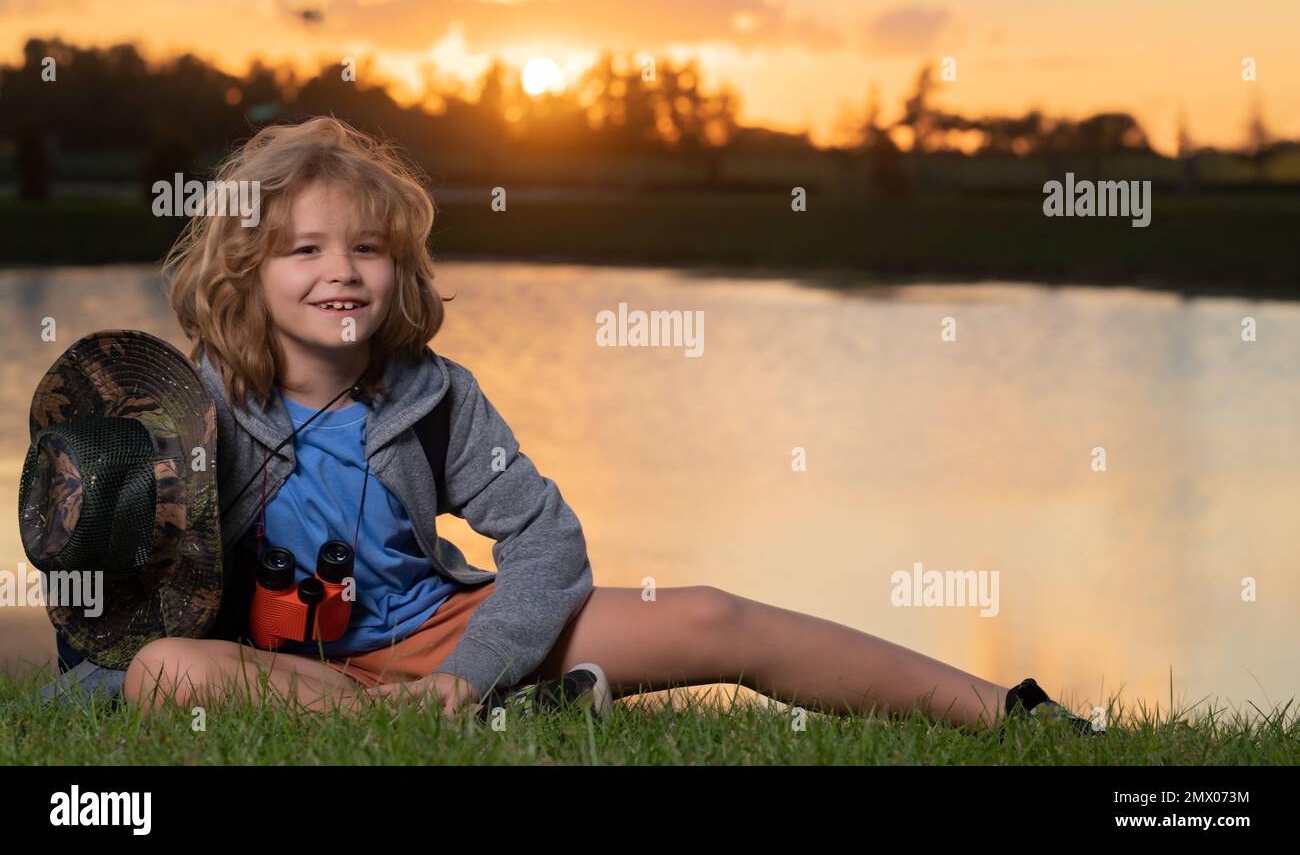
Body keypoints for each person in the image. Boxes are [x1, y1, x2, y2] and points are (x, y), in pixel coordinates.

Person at [122, 115, 1096, 735]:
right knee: (162, 672)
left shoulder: (436, 392)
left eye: (368, 247)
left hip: (448, 631)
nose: (342, 270)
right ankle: (433, 720)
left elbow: (546, 542)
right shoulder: (193, 400)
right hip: (293, 665)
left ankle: (1011, 713)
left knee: (711, 609)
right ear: (246, 268)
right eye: (305, 248)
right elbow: (137, 569)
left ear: (399, 265)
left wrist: (467, 671)